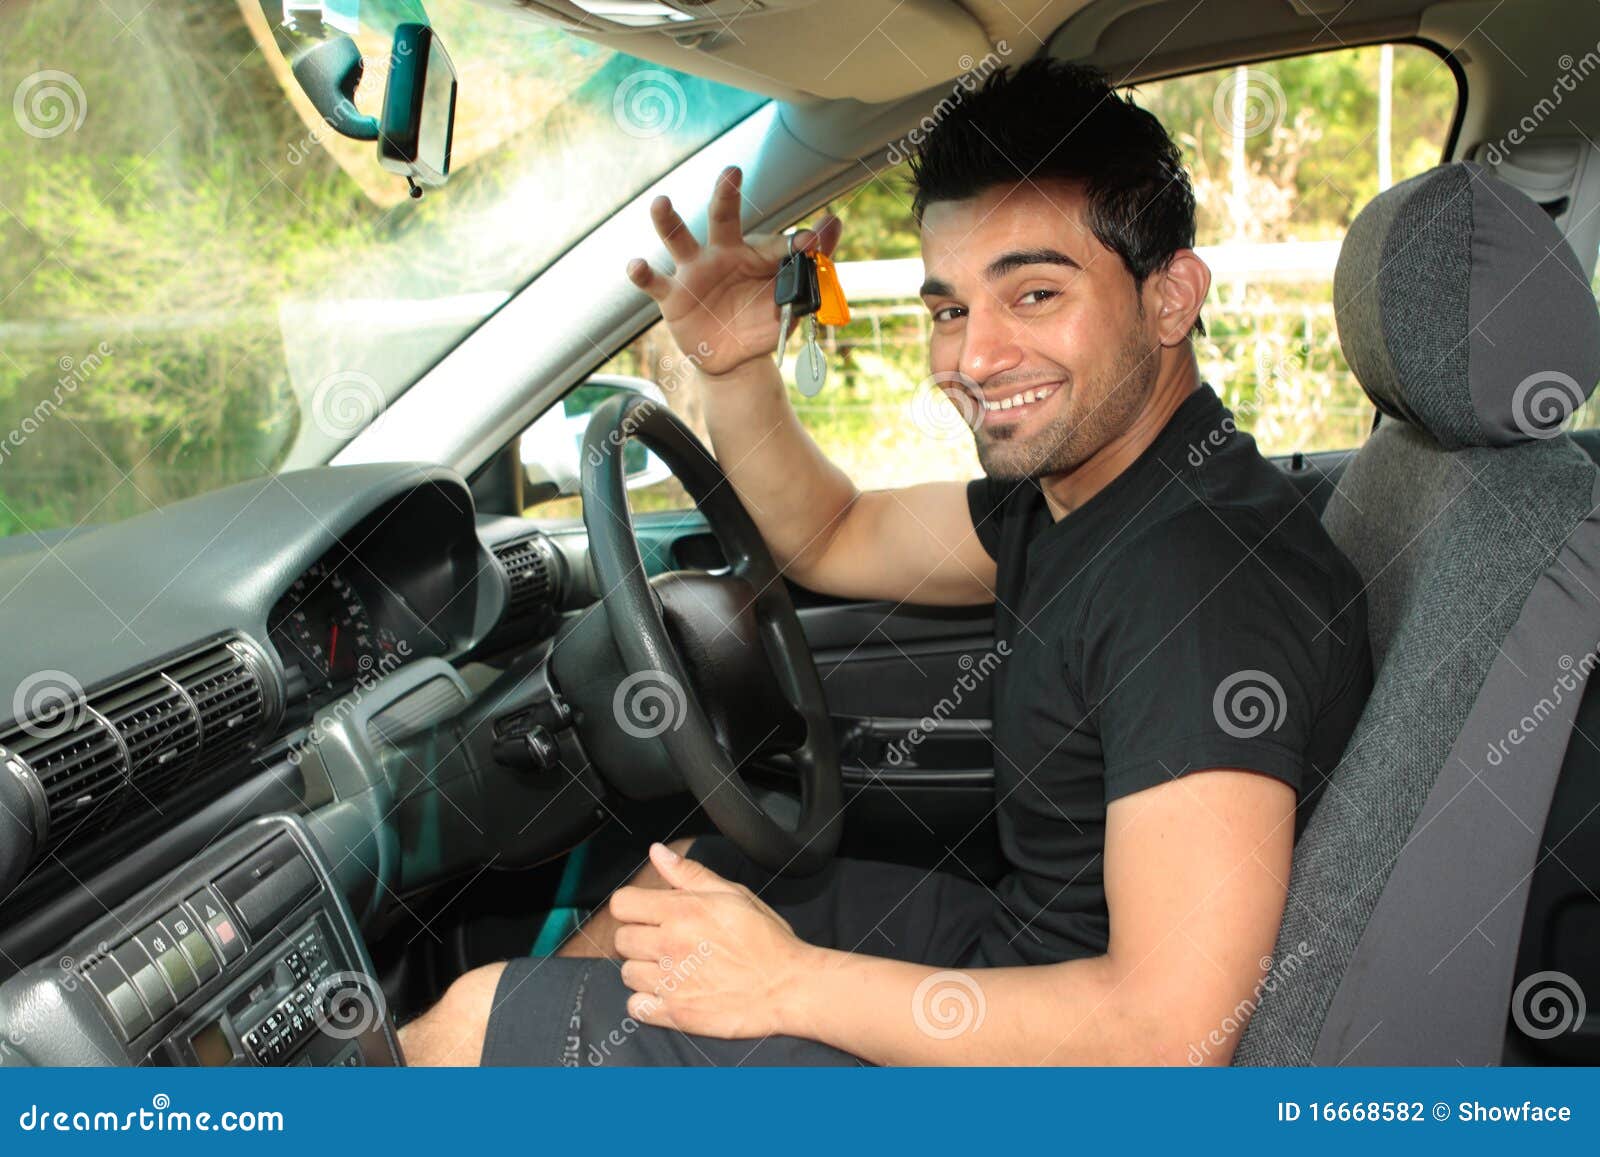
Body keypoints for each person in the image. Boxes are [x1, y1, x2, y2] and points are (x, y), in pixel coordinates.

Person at [399, 59, 1372, 1066]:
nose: (974, 358)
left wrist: (785, 982)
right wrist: (735, 368)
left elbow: (1167, 1035)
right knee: (673, 889)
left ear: (1170, 297)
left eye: (1034, 293)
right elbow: (830, 531)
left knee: (477, 1019)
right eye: (950, 309)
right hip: (1023, 953)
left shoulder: (1195, 584)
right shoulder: (1091, 495)